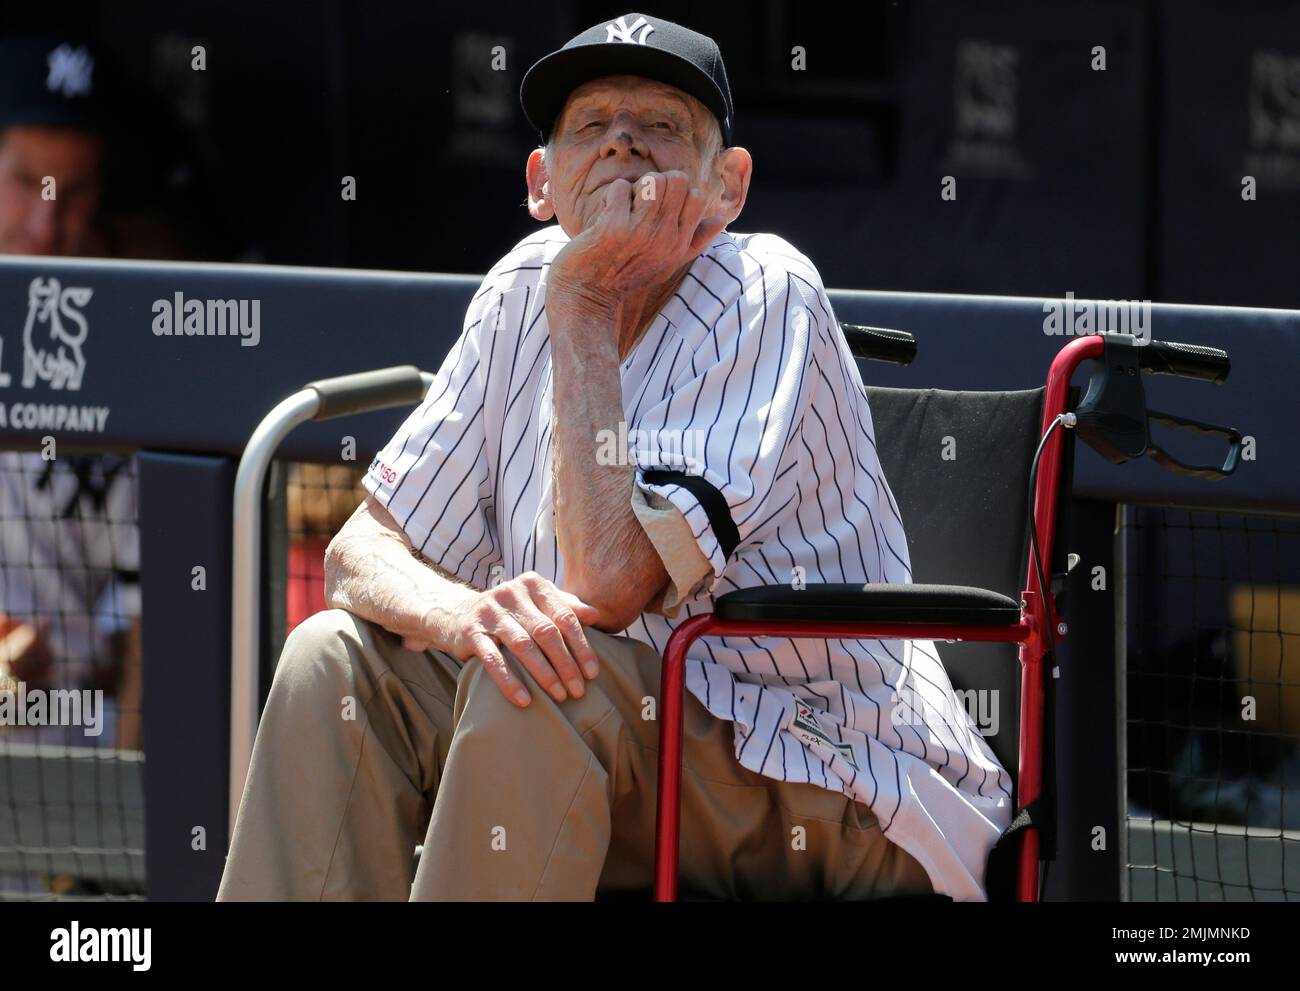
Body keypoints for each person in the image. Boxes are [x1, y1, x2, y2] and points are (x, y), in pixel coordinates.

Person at [218, 13, 1013, 902]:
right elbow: (358, 551)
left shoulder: (766, 288)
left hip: (831, 778)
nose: (622, 145)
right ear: (542, 181)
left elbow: (606, 583)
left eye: (662, 128)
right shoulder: (523, 284)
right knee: (333, 658)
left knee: (545, 684)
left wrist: (587, 306)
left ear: (728, 186)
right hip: (622, 744)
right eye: (591, 126)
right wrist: (468, 616)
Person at [0, 34, 141, 752]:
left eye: (73, 191)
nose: (45, 222)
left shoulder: (132, 350)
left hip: (69, 749)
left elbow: (160, 612)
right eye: (25, 181)